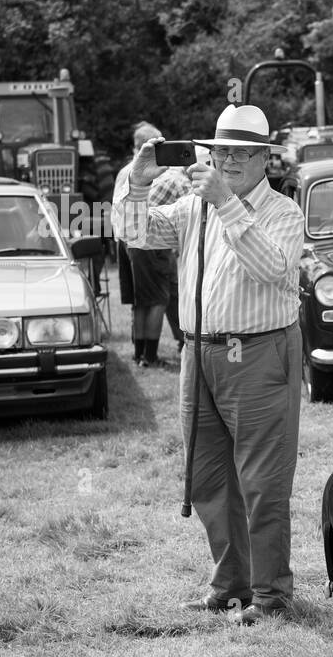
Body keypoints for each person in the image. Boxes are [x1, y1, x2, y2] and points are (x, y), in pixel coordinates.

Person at [117, 104, 305, 626]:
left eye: (242, 153)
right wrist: (135, 183)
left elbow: (269, 267)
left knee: (263, 482)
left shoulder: (284, 212)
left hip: (261, 354)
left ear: (263, 159)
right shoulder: (194, 208)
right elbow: (138, 235)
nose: (229, 160)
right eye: (221, 151)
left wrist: (225, 203)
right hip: (199, 353)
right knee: (206, 479)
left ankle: (271, 596)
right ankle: (229, 585)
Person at [111, 123, 185, 367]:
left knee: (140, 300)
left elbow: (116, 209)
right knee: (157, 300)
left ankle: (139, 353)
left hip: (126, 241)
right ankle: (150, 357)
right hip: (151, 241)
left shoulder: (125, 172)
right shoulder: (167, 173)